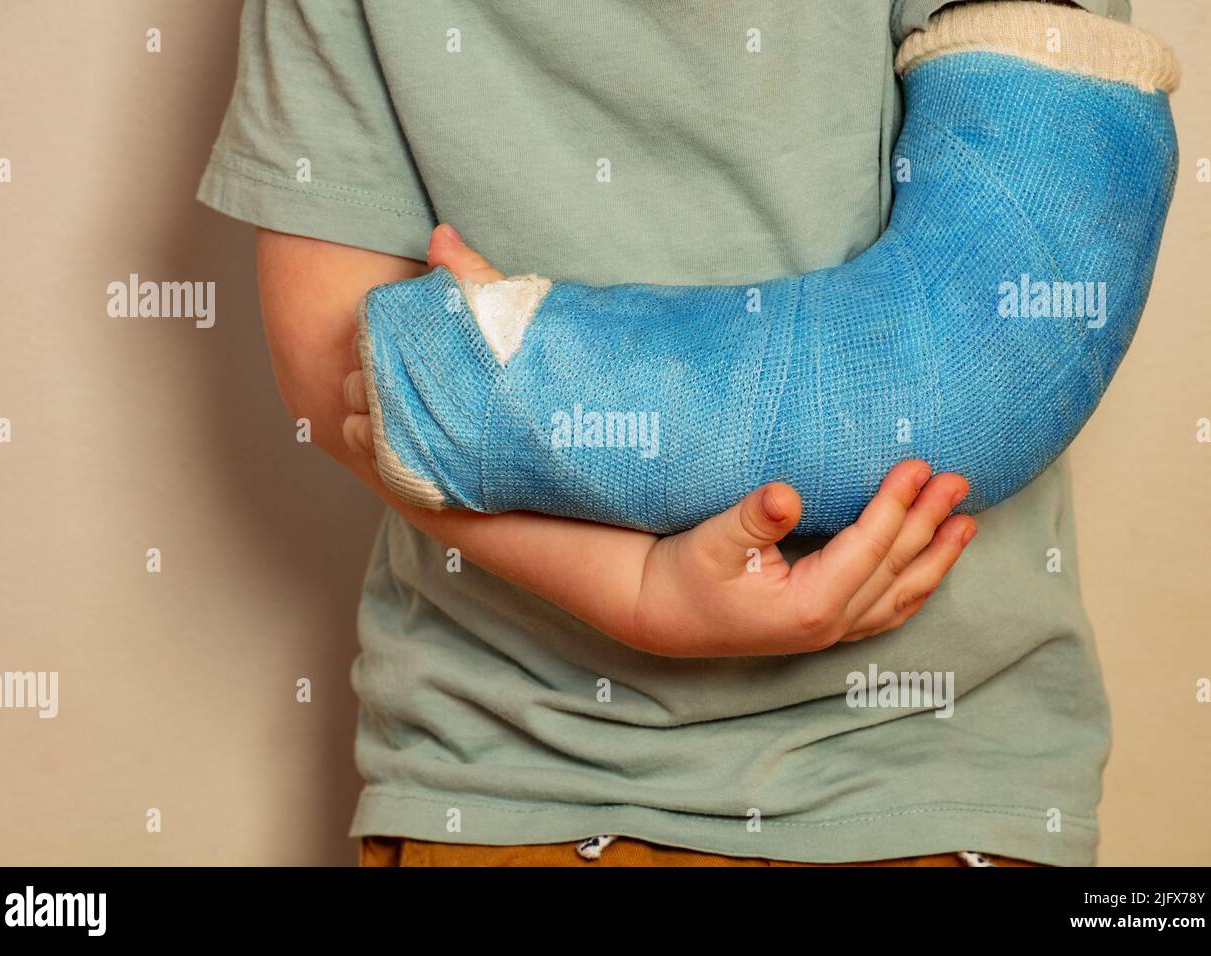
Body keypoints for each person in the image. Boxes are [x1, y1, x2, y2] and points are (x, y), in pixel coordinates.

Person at [198, 0, 1132, 866]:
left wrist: (506, 389)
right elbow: (355, 375)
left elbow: (1003, 331)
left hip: (920, 768)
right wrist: (634, 592)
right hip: (528, 768)